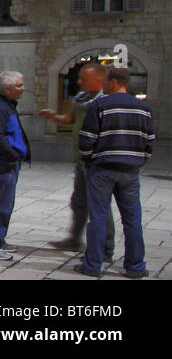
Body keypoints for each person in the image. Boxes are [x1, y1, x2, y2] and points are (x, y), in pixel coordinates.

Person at [75, 67, 157, 279]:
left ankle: (92, 265)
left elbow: (86, 139)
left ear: (112, 82)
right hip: (130, 171)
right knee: (132, 219)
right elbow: (149, 142)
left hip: (102, 169)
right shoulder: (144, 108)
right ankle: (135, 266)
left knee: (99, 217)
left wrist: (88, 161)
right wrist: (138, 162)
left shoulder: (100, 105)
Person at [38, 63, 114, 259]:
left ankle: (105, 248)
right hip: (81, 161)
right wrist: (52, 116)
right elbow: (69, 119)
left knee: (100, 206)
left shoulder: (107, 102)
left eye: (84, 78)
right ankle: (74, 240)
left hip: (97, 162)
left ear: (99, 80)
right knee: (79, 202)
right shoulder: (81, 99)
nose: (79, 81)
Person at [0, 71, 30, 259]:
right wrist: (10, 156)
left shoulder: (7, 106)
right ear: (7, 90)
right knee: (1, 204)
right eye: (18, 86)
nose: (22, 88)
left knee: (6, 203)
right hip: (2, 164)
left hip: (9, 163)